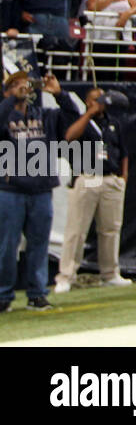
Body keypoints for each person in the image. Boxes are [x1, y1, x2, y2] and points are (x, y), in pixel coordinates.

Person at [53, 82, 132, 293]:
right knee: (76, 230)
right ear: (89, 102)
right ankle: (66, 276)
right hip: (88, 176)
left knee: (110, 229)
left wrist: (123, 177)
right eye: (98, 100)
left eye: (103, 100)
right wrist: (89, 114)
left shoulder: (113, 123)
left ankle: (110, 273)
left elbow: (123, 151)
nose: (102, 104)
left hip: (110, 178)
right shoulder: (83, 121)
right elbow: (69, 136)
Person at [0, 70, 61, 311]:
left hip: (41, 189)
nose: (23, 87)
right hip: (10, 188)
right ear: (7, 90)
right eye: (16, 84)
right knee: (7, 245)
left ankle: (37, 294)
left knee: (39, 245)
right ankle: (4, 295)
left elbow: (69, 121)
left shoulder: (42, 114)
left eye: (25, 84)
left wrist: (61, 94)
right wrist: (10, 100)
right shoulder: (6, 113)